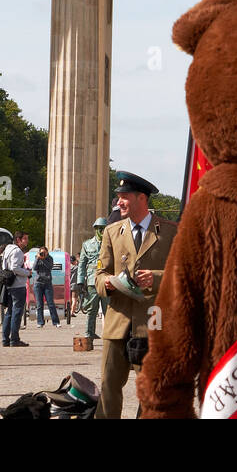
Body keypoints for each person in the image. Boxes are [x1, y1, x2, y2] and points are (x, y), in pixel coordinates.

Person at [95, 172, 177, 419]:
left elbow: (185, 273)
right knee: (109, 384)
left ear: (142, 198)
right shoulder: (111, 232)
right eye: (118, 197)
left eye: (124, 197)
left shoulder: (171, 231)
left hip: (153, 321)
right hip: (118, 320)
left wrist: (157, 277)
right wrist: (107, 283)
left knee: (150, 387)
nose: (118, 202)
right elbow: (99, 273)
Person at [75, 217, 109, 347]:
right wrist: (79, 281)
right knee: (91, 310)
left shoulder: (111, 243)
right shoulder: (87, 245)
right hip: (92, 281)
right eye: (99, 228)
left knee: (109, 310)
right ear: (95, 229)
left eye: (103, 228)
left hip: (107, 281)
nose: (101, 230)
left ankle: (110, 339)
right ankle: (89, 335)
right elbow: (82, 264)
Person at [0, 231, 31, 347]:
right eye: (25, 239)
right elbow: (15, 268)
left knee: (10, 312)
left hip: (9, 284)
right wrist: (27, 273)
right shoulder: (17, 251)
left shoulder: (8, 249)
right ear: (18, 240)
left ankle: (5, 339)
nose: (26, 241)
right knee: (17, 312)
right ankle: (14, 339)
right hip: (18, 285)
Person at [32, 246, 59, 327]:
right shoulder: (37, 257)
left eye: (44, 252)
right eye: (41, 252)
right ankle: (40, 322)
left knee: (51, 303)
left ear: (47, 252)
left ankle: (56, 322)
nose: (43, 254)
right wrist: (38, 258)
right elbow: (34, 268)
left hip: (47, 283)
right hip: (38, 283)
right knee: (39, 304)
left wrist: (43, 259)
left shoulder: (50, 258)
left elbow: (50, 267)